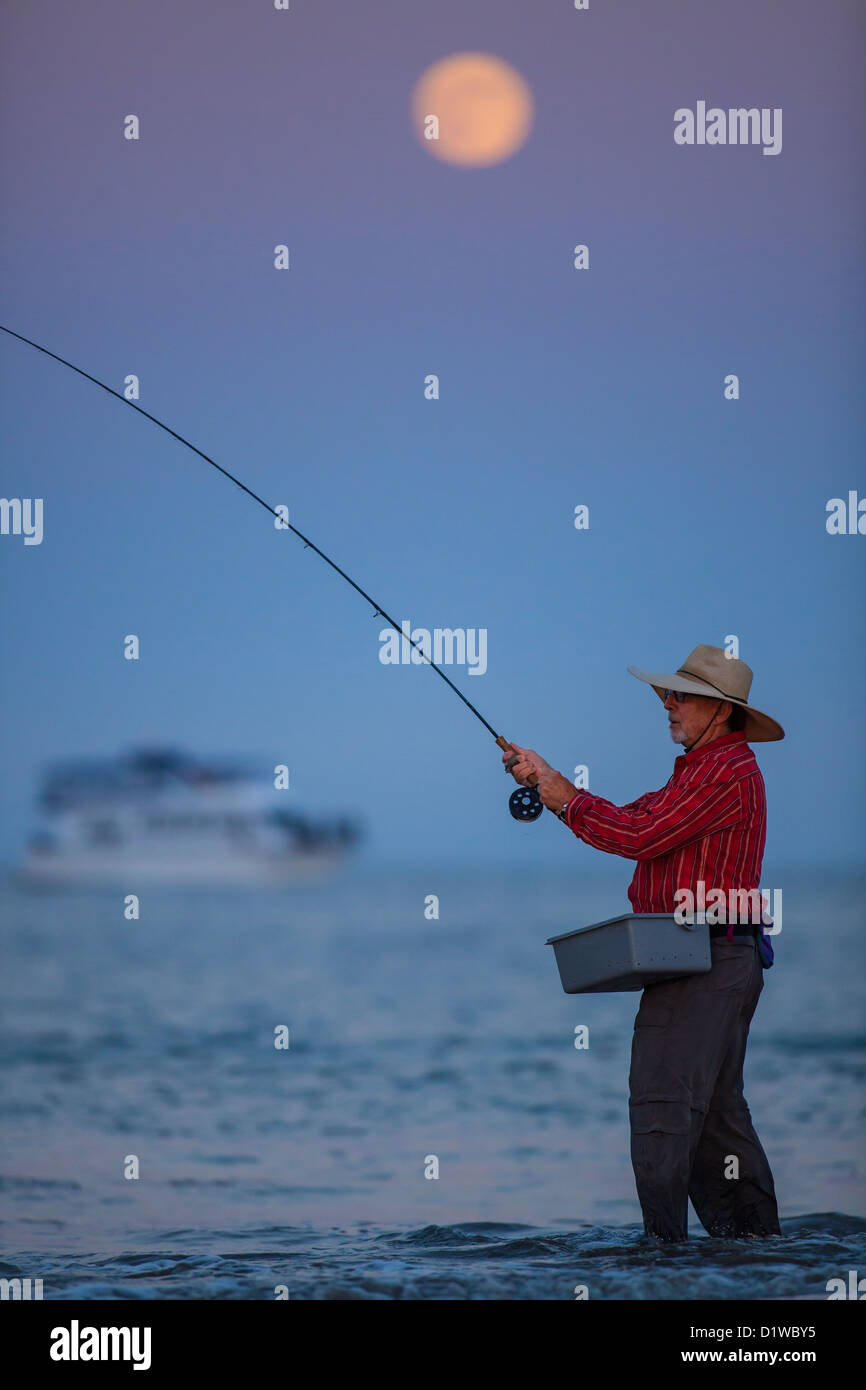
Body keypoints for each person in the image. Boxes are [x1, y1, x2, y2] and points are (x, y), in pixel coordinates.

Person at [503, 644, 783, 1242]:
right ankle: (756, 1255)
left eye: (681, 696)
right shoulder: (700, 773)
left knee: (662, 1108)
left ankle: (661, 1258)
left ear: (721, 712)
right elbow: (633, 820)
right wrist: (551, 782)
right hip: (709, 957)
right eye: (667, 694)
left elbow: (639, 834)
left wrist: (556, 790)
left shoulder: (727, 773)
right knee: (716, 1122)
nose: (668, 704)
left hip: (706, 961)